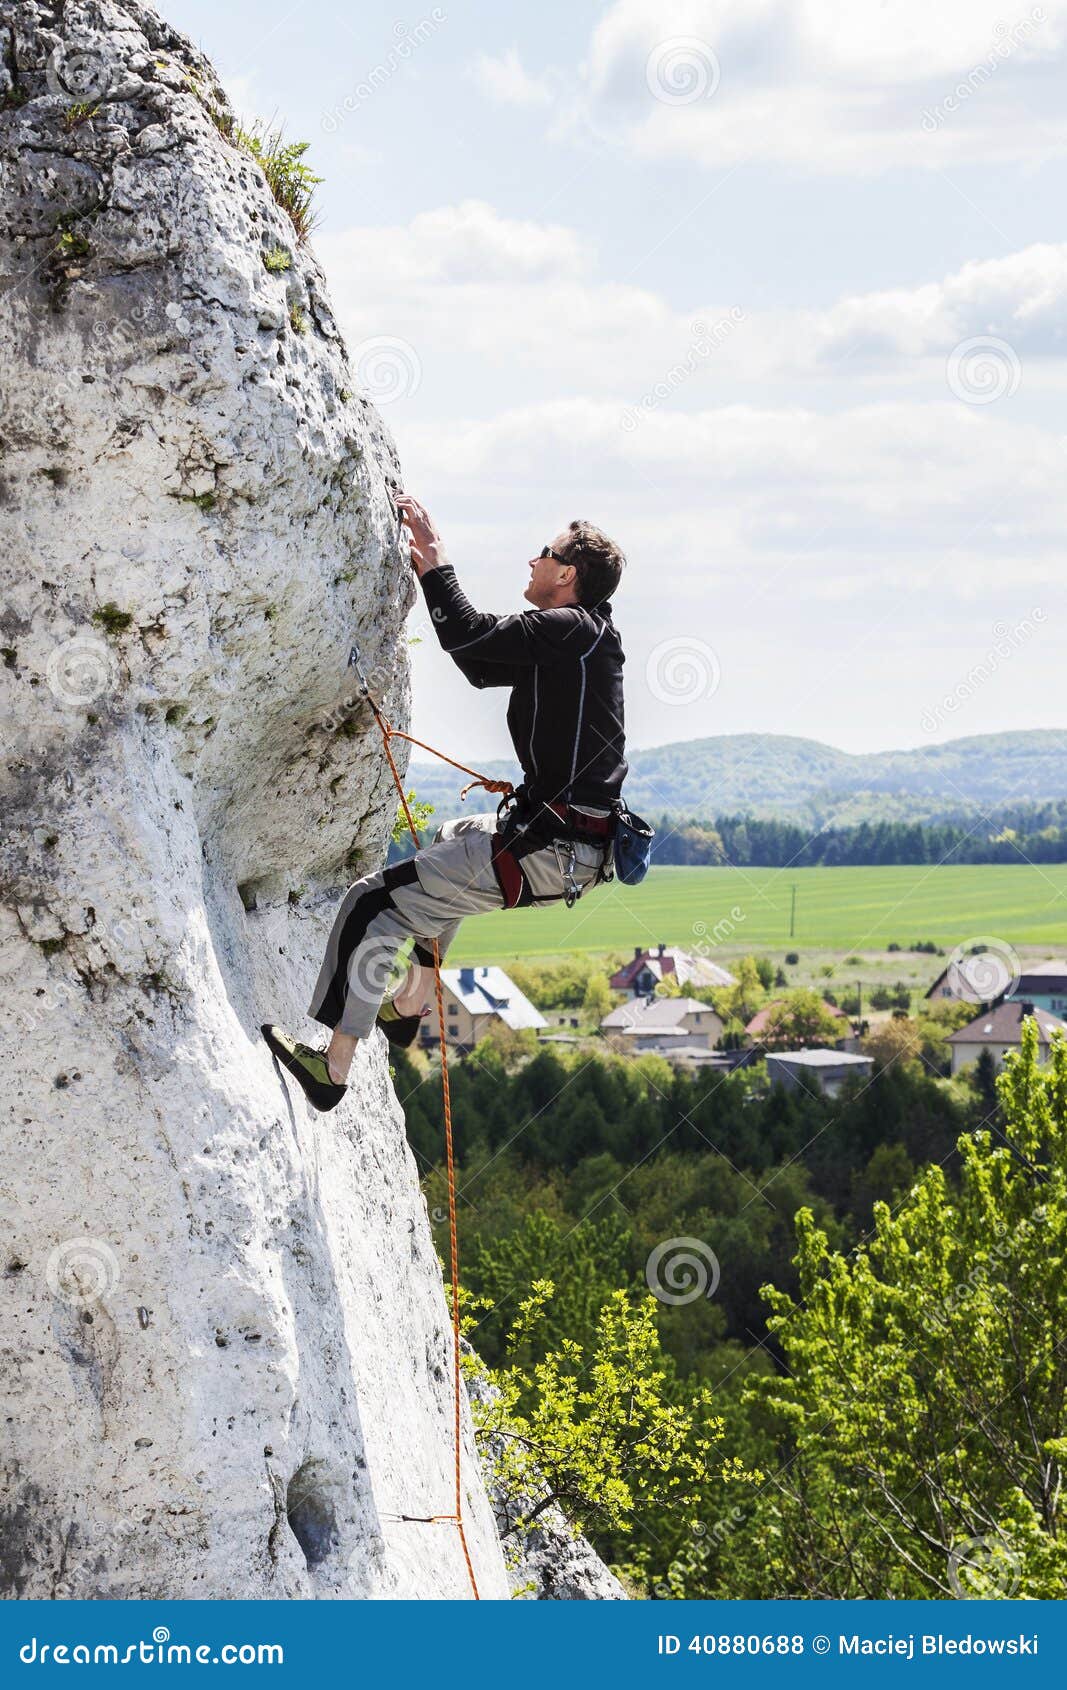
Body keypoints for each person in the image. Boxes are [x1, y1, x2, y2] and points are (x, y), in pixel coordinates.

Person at [262, 495, 628, 1112]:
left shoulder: (569, 630)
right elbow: (480, 665)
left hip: (546, 846)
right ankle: (407, 1005)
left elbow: (468, 632)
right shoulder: (583, 641)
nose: (533, 562)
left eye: (545, 554)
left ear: (567, 574)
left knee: (371, 901)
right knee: (454, 835)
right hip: (568, 850)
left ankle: (333, 1067)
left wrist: (435, 563)